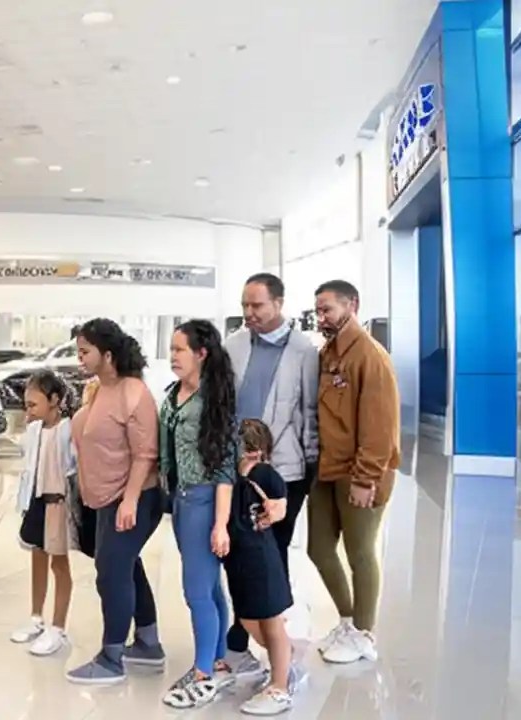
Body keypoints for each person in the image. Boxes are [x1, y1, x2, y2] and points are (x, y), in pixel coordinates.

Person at [222, 272, 319, 678]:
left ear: (278, 303)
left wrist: (310, 468)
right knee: (240, 552)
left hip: (285, 472)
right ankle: (243, 638)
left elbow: (310, 413)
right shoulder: (234, 345)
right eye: (245, 305)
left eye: (257, 305)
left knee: (271, 553)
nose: (249, 313)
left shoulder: (304, 351)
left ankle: (267, 641)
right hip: (237, 469)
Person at [65, 319, 164, 685]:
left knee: (111, 574)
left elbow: (145, 454)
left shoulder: (134, 392)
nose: (80, 358)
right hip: (103, 498)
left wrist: (130, 501)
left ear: (107, 354)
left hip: (133, 498)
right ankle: (149, 644)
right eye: (78, 351)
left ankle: (111, 657)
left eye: (85, 351)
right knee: (126, 567)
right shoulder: (95, 389)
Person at [309, 280, 401, 664]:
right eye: (318, 310)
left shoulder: (370, 356)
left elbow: (381, 428)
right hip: (327, 468)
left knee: (360, 552)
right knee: (318, 548)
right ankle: (348, 621)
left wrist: (366, 478)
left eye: (328, 309)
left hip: (360, 471)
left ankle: (364, 633)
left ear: (353, 305)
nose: (322, 317)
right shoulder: (328, 354)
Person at [159, 319, 237, 710]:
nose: (173, 356)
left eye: (179, 350)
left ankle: (204, 672)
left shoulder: (215, 401)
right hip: (180, 501)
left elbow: (225, 469)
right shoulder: (174, 393)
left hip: (204, 503)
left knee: (196, 591)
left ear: (201, 353)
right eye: (171, 349)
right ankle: (219, 660)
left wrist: (220, 525)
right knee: (209, 588)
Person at [226, 419, 296, 716]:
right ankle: (284, 665)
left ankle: (280, 684)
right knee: (251, 619)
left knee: (270, 622)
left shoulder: (264, 475)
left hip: (262, 559)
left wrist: (276, 511)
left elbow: (280, 504)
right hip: (242, 560)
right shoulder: (231, 477)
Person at [10, 371, 79, 657]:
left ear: (54, 400)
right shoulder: (34, 430)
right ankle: (36, 617)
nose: (29, 411)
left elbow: (75, 468)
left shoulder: (70, 429)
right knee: (38, 558)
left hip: (59, 505)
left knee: (59, 565)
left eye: (33, 404)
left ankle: (58, 627)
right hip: (36, 503)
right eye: (26, 405)